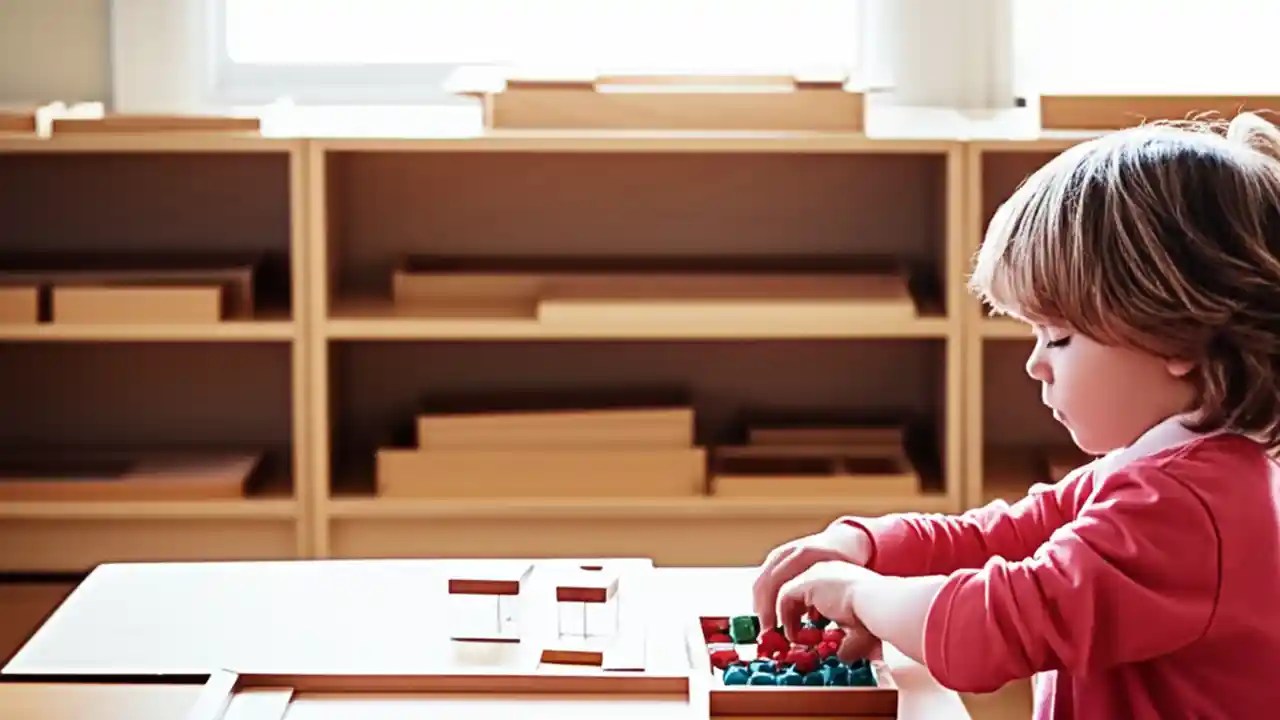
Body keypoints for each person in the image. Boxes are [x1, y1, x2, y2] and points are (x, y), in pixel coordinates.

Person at [752, 113, 1280, 719]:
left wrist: (863, 595)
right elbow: (998, 537)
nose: (1036, 364)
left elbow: (998, 623)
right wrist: (862, 544)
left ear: (1178, 340)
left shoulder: (1185, 508)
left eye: (1058, 338)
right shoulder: (1166, 470)